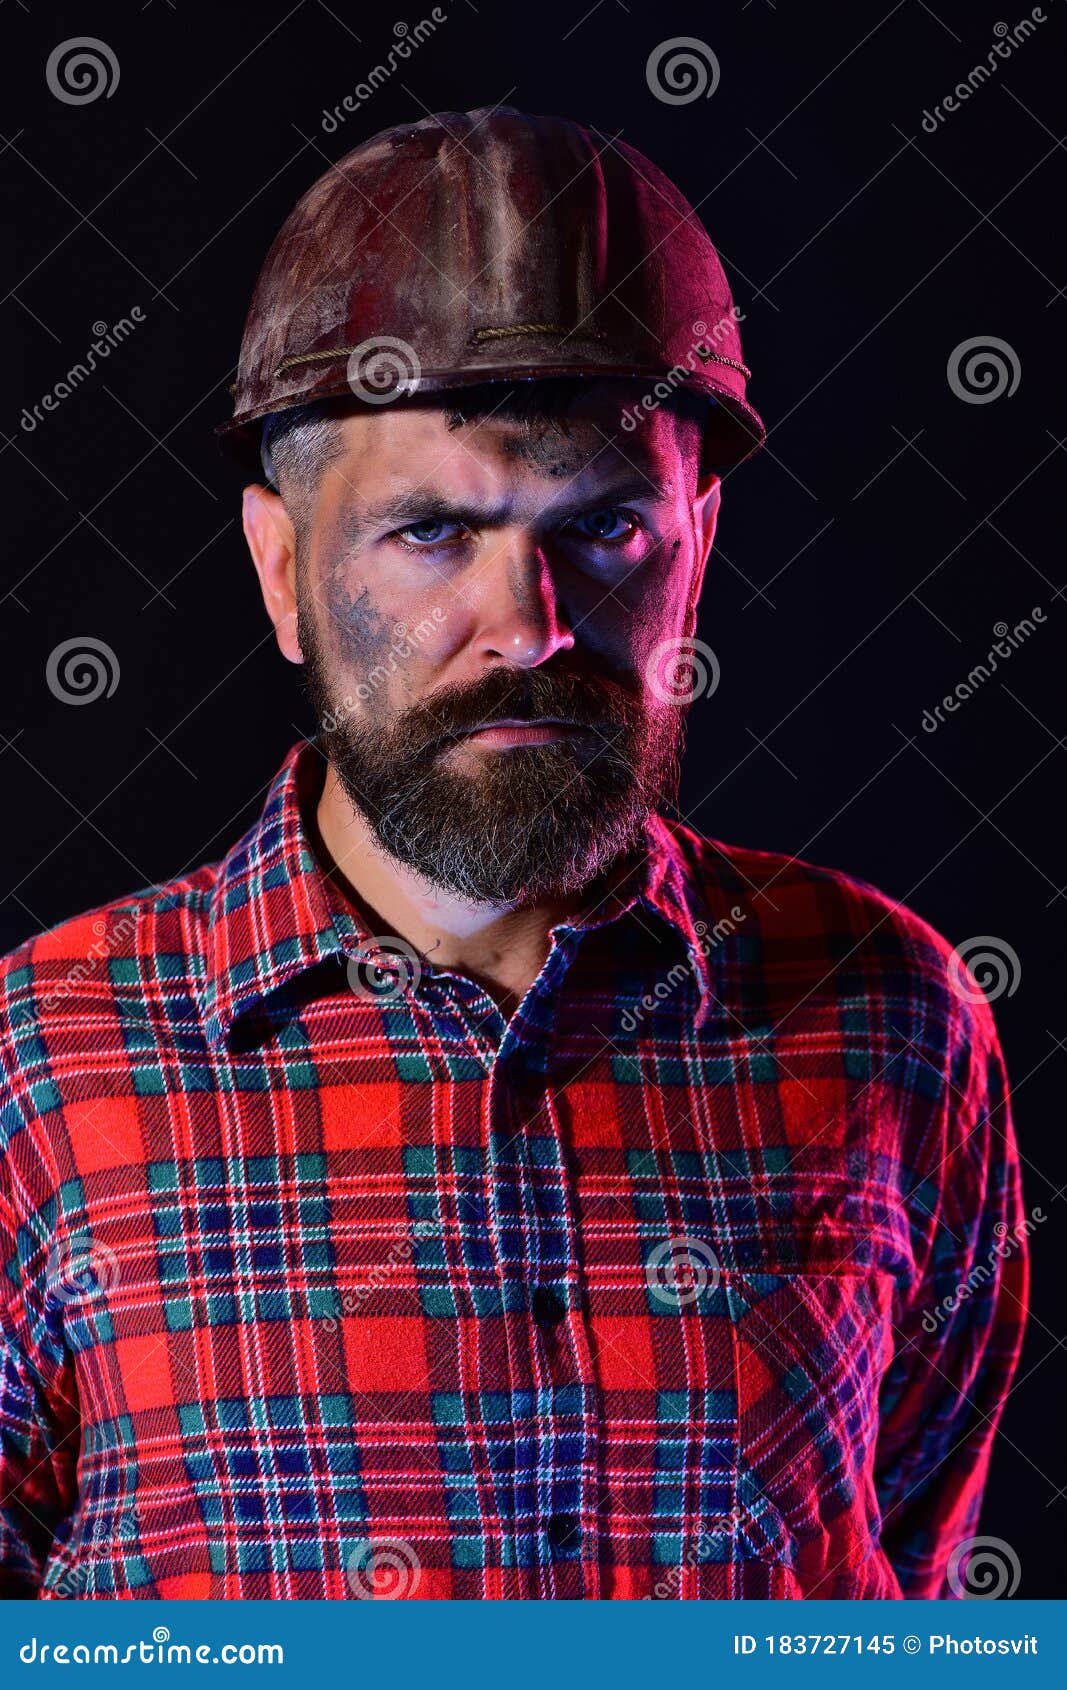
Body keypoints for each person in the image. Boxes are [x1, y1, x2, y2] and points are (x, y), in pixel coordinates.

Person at [0, 107, 1026, 1600]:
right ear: (283, 569)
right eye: (430, 532)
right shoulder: (38, 1070)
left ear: (699, 537)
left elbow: (908, 1587)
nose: (531, 622)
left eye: (604, 526)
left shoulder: (900, 1021)